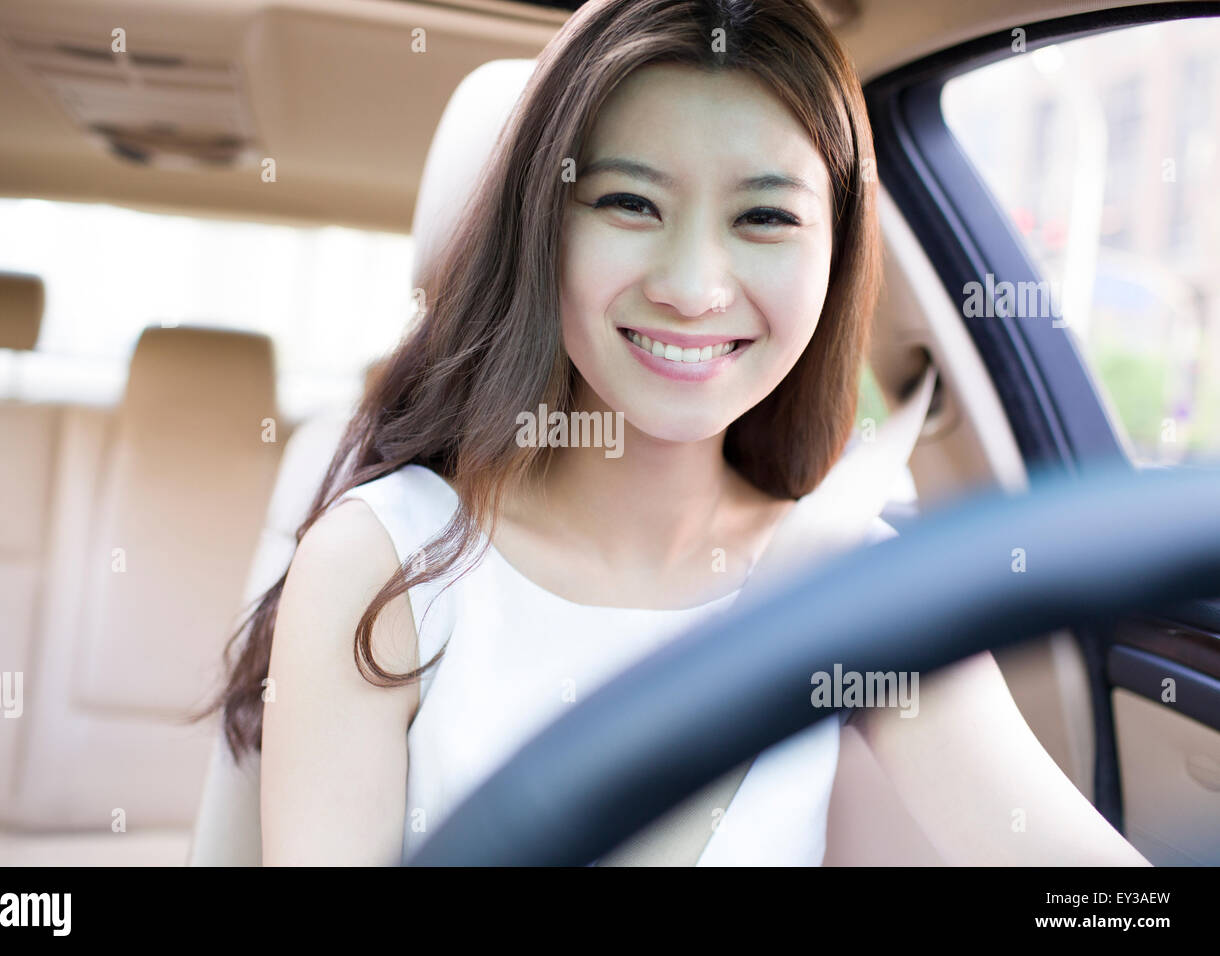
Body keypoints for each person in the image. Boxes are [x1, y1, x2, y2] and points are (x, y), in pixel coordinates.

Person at [198, 0, 1150, 866]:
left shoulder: (852, 581)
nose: (693, 287)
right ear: (544, 227)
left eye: (766, 215)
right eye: (629, 203)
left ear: (837, 250)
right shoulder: (382, 563)